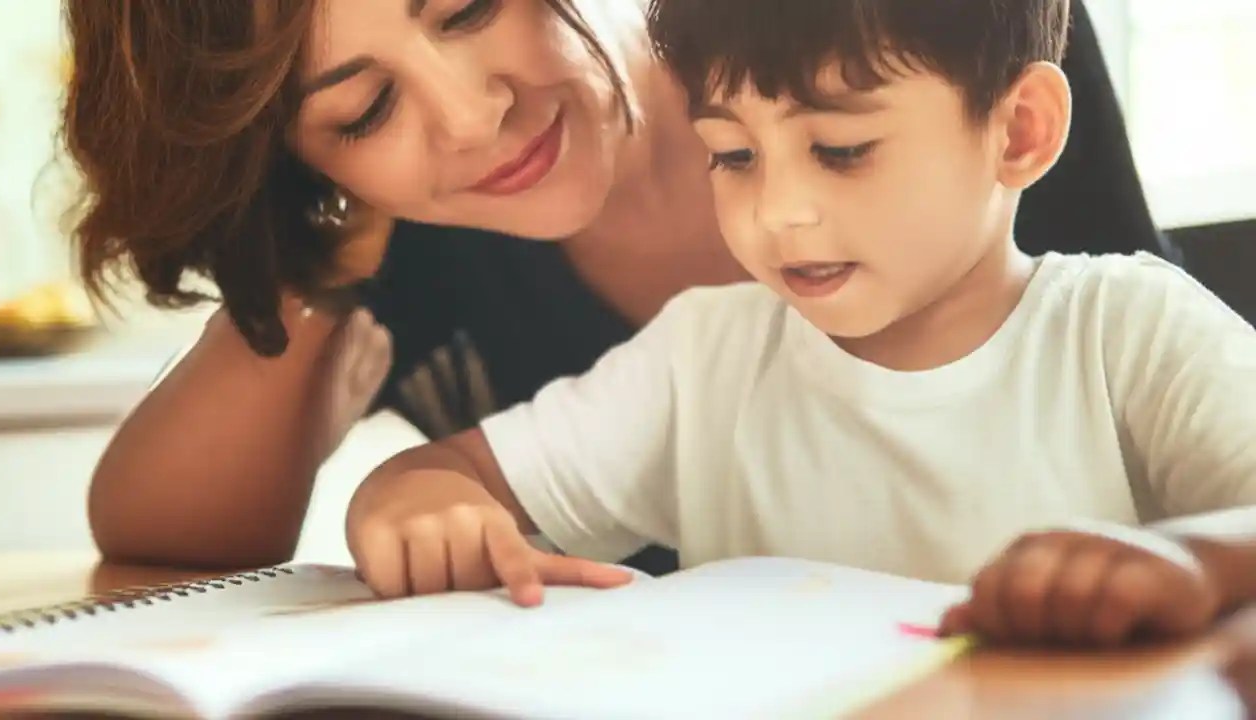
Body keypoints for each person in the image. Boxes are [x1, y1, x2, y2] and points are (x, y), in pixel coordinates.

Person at [62, 0, 1167, 574]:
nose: (470, 114)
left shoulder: (898, 46)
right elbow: (162, 532)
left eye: (469, 7)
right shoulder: (409, 237)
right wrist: (311, 242)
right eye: (361, 112)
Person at [344, 0, 1256, 649]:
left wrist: (1196, 563)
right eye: (733, 155)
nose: (777, 212)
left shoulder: (1127, 331)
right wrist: (418, 505)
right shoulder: (701, 361)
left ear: (1018, 130)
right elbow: (443, 472)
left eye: (840, 149)